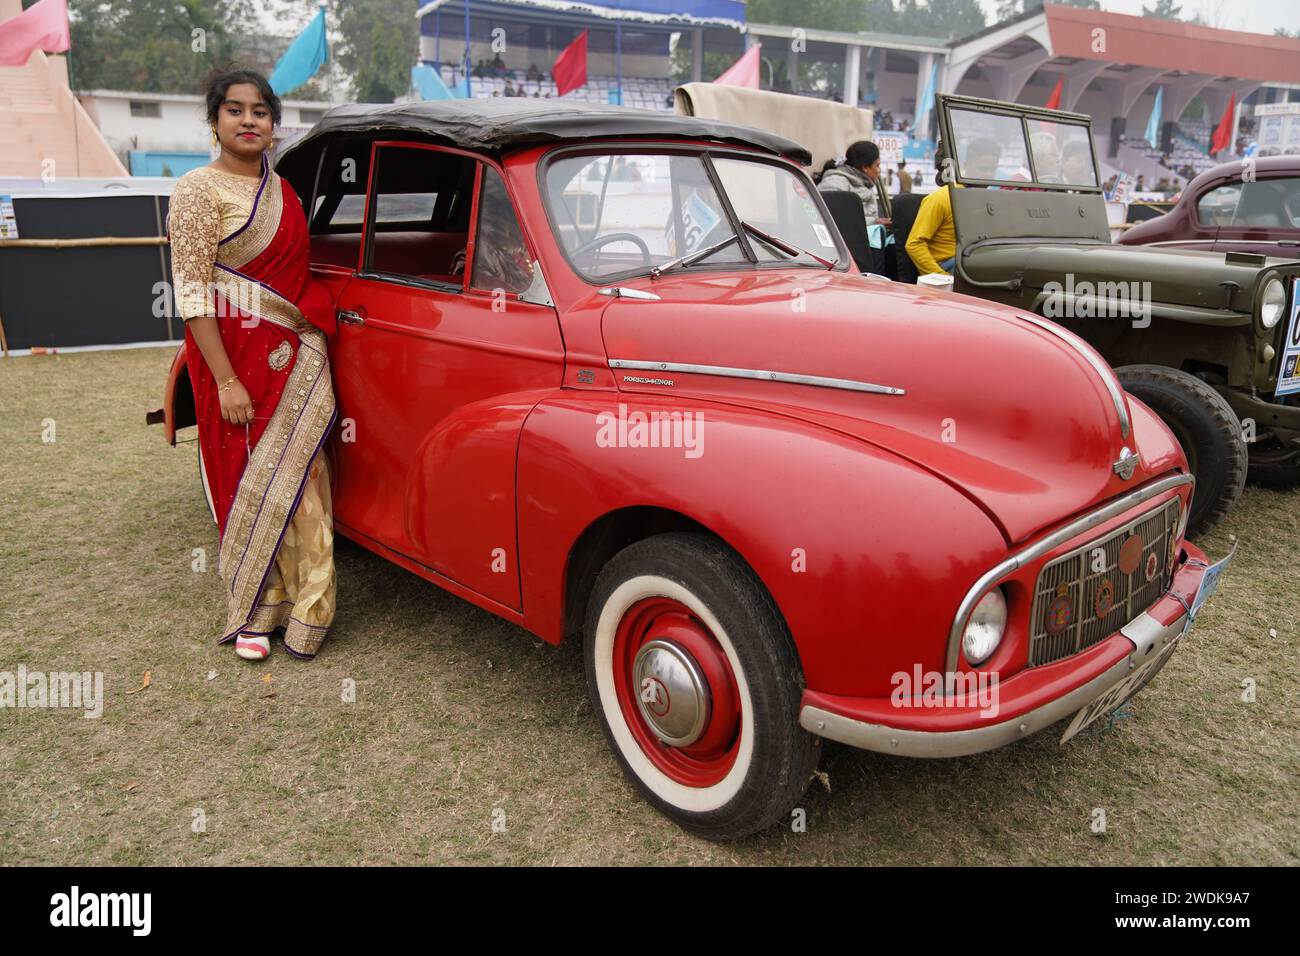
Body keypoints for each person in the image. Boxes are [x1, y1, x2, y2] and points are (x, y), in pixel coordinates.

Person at [167, 67, 338, 662]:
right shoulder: (196, 190)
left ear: (273, 123)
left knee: (305, 480)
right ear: (214, 121)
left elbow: (296, 279)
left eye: (259, 111)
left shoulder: (284, 192)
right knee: (244, 477)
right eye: (234, 110)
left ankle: (311, 610)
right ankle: (256, 611)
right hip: (232, 360)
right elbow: (191, 292)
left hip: (293, 356)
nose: (248, 121)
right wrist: (226, 380)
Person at [906, 137, 1000, 276]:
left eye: (992, 170)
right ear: (966, 165)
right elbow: (914, 244)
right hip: (949, 265)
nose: (988, 175)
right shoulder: (942, 198)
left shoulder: (990, 200)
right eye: (983, 169)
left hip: (975, 259)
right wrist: (941, 277)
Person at [817, 140, 891, 226]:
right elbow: (832, 219)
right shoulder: (834, 182)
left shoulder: (865, 185)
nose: (879, 170)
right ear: (865, 167)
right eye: (877, 165)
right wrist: (874, 222)